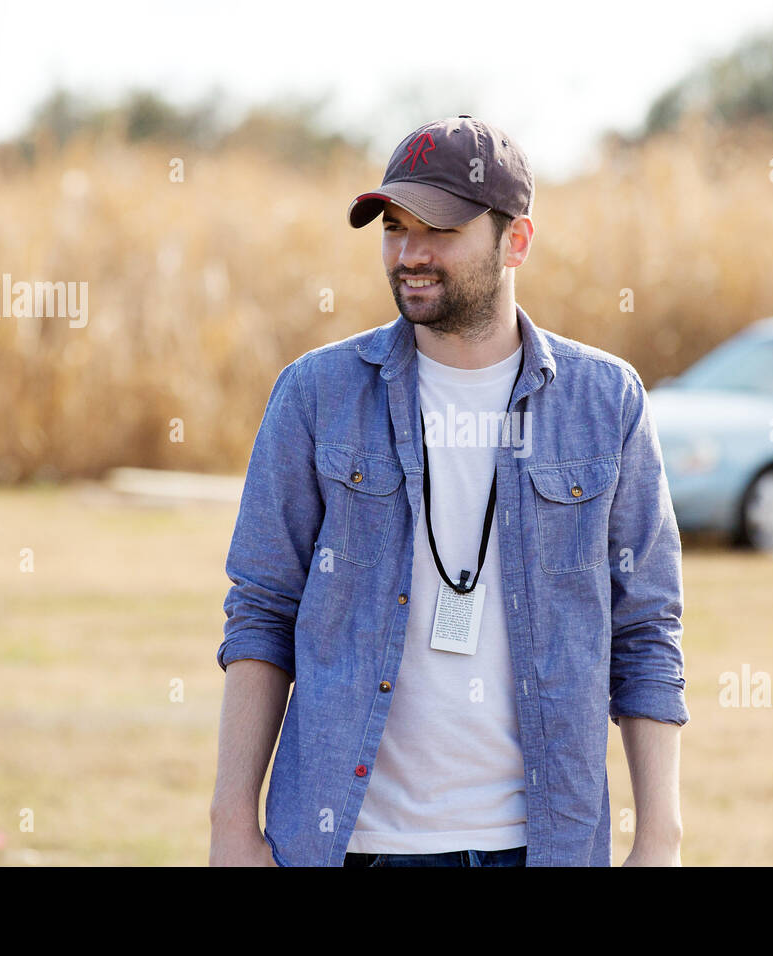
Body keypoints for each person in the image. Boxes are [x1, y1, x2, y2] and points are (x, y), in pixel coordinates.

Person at [209, 116, 688, 867]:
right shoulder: (316, 395)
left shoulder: (606, 403)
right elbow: (263, 609)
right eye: (395, 228)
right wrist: (232, 826)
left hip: (539, 847)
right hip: (350, 845)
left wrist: (659, 840)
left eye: (440, 228)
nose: (410, 254)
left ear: (516, 241)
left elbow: (646, 631)